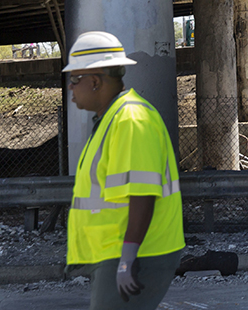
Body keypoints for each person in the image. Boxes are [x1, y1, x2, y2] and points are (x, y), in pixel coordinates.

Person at [64, 31, 184, 310]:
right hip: (119, 252)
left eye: (75, 79)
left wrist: (127, 260)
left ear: (95, 81)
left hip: (137, 253)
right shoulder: (113, 118)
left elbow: (142, 194)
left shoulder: (130, 120)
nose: (70, 87)